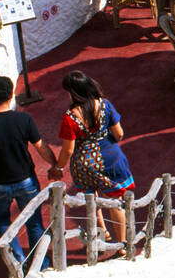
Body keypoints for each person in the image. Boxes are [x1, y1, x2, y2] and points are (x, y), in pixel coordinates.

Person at [0, 76, 60, 269]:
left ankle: (18, 262)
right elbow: (41, 146)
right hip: (26, 181)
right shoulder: (23, 119)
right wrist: (54, 165)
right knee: (34, 221)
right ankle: (41, 265)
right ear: (12, 94)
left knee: (1, 220)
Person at [50, 71, 135, 256]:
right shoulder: (105, 105)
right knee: (115, 201)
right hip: (109, 159)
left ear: (73, 92)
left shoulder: (70, 116)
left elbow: (68, 150)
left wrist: (58, 167)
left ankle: (102, 232)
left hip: (83, 164)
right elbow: (119, 134)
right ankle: (122, 245)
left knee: (91, 198)